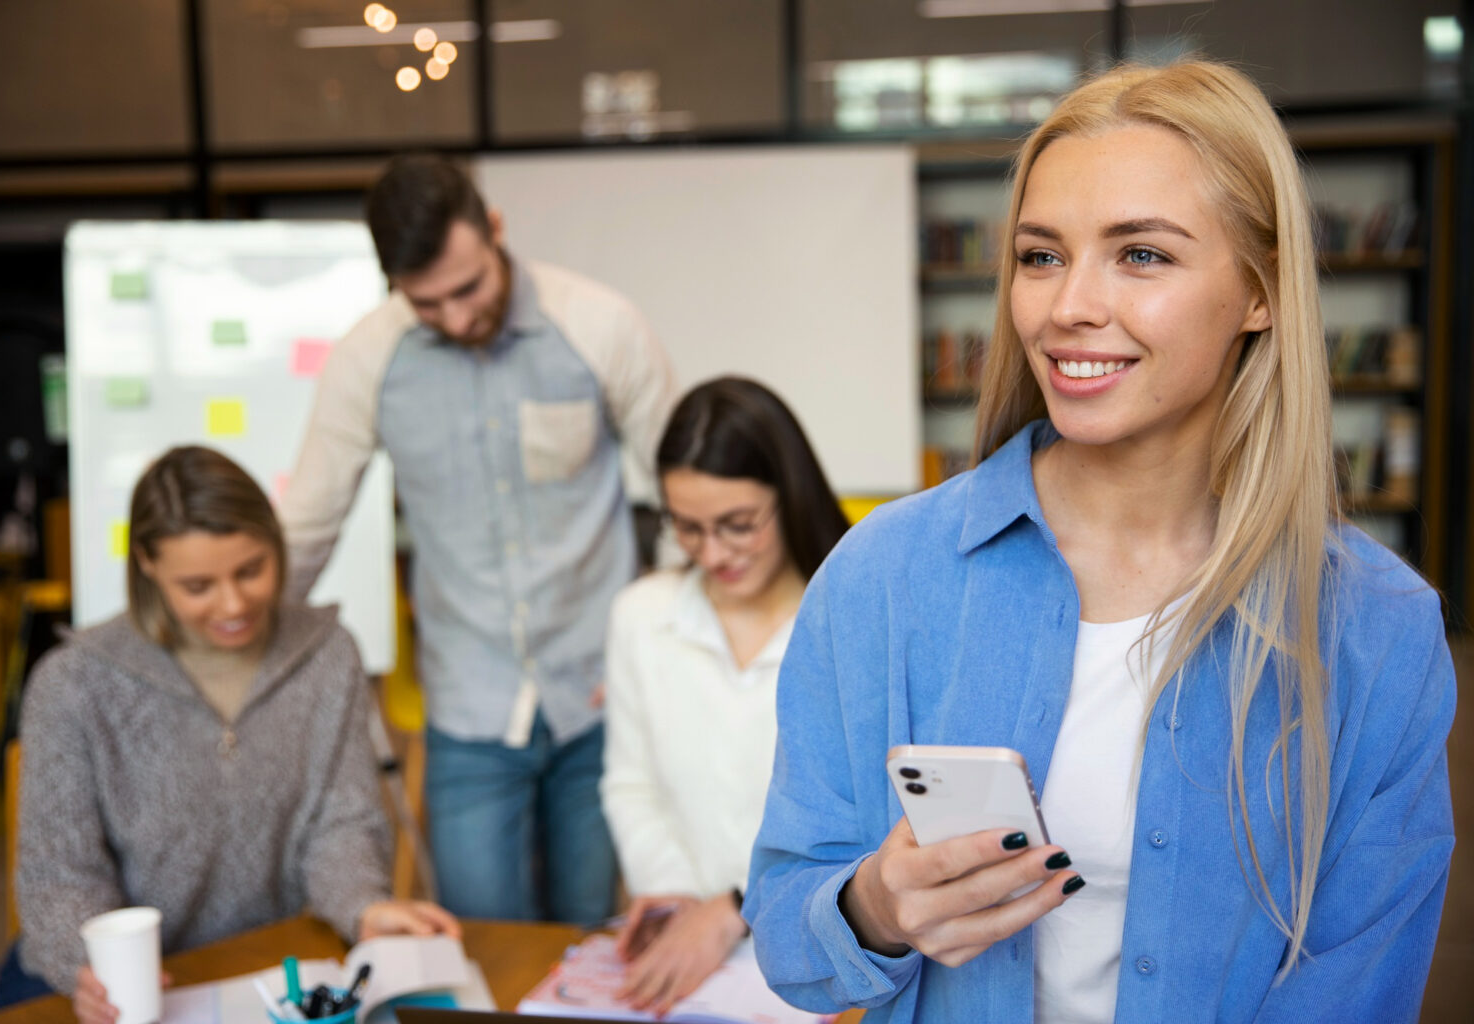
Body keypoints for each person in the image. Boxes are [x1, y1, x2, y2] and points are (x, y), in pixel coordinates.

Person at [745, 60, 1455, 1023]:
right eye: (1041, 256)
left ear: (1260, 290)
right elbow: (791, 935)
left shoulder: (1378, 631)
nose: (1068, 306)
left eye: (1143, 255)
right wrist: (875, 906)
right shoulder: (882, 577)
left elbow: (1356, 994)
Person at [280, 154, 676, 924]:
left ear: (495, 230)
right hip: (467, 705)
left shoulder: (598, 325)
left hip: (599, 699)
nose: (457, 318)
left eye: (469, 288)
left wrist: (653, 643)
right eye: (426, 304)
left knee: (583, 942)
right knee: (481, 952)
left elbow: (685, 492)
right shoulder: (368, 359)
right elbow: (309, 526)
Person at [0, 446, 458, 1023]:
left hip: (273, 967)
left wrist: (363, 906)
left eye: (251, 569)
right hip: (116, 987)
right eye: (198, 586)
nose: (234, 603)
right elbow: (60, 873)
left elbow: (341, 822)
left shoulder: (326, 654)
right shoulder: (74, 684)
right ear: (146, 563)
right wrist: (84, 966)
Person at [600, 378, 849, 1012]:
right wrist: (678, 897)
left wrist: (737, 906)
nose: (713, 553)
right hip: (690, 945)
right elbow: (631, 784)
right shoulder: (640, 616)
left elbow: (869, 821)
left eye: (737, 526)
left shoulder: (851, 620)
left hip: (828, 954)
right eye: (687, 528)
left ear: (788, 497)